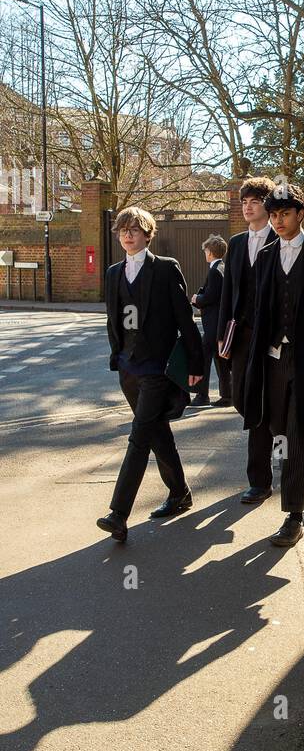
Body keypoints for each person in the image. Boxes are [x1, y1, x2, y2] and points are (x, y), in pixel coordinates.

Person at [98, 207, 205, 541]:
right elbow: (112, 318)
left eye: (135, 229)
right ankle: (180, 493)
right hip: (128, 369)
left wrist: (197, 366)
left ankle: (118, 513)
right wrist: (117, 354)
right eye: (123, 230)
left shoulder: (165, 269)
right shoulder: (114, 272)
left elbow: (184, 320)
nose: (128, 235)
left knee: (139, 436)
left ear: (148, 234)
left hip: (157, 370)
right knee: (157, 432)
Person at [242, 183, 304, 547]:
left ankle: (292, 516)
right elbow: (259, 309)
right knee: (278, 432)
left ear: (301, 214)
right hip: (273, 357)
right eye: (273, 215)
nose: (277, 220)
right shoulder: (266, 255)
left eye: (284, 213)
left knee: (297, 428)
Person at [216, 177, 278, 500]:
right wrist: (220, 336)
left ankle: (259, 480)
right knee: (242, 399)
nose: (247, 206)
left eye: (254, 201)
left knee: (266, 407)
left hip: (270, 338)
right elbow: (228, 292)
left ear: (266, 205)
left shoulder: (281, 240)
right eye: (244, 201)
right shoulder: (236, 243)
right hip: (240, 335)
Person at [191, 234, 232, 406]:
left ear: (209, 252)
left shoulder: (215, 271)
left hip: (213, 324)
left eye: (205, 251)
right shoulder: (222, 268)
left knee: (203, 357)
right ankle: (227, 395)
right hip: (219, 324)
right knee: (220, 359)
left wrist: (196, 299)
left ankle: (202, 395)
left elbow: (211, 296)